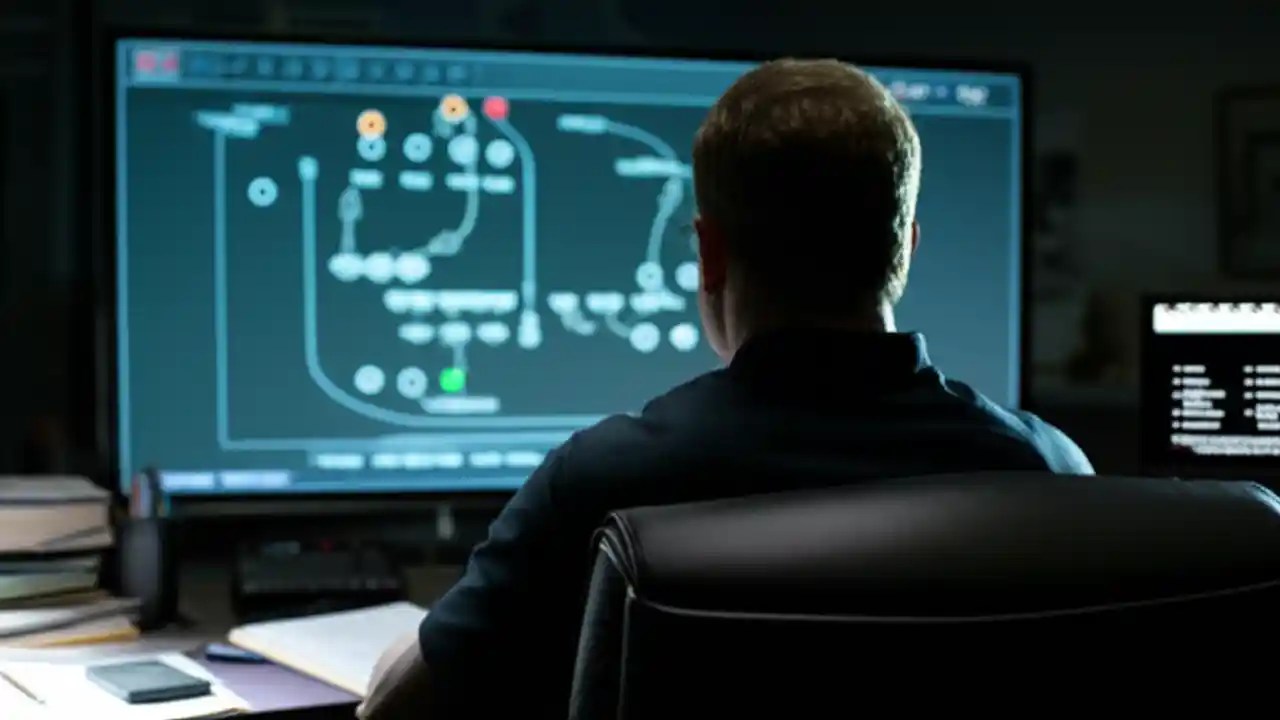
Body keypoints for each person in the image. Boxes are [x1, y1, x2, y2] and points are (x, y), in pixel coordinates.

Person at [357, 58, 1093, 719]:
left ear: (708, 252)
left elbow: (396, 706)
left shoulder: (600, 483)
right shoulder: (1050, 475)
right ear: (904, 246)